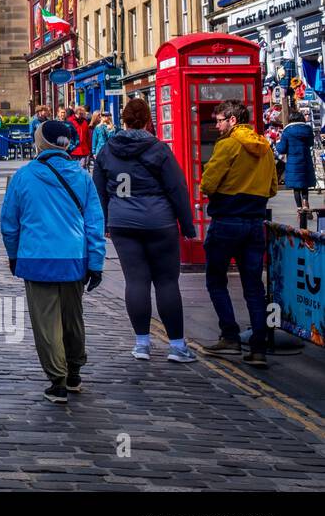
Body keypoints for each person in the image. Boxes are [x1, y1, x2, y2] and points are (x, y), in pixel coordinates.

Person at [1, 120, 106, 404]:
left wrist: (13, 255)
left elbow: (9, 224)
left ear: (40, 143)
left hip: (37, 258)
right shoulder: (82, 177)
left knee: (46, 322)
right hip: (74, 257)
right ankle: (74, 372)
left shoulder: (24, 177)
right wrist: (96, 263)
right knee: (73, 318)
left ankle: (57, 380)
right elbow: (95, 224)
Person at [92, 98, 198, 363]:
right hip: (159, 222)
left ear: (123, 121)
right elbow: (177, 188)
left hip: (122, 223)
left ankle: (141, 344)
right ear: (149, 121)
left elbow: (99, 192)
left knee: (135, 281)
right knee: (166, 281)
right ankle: (176, 346)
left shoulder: (107, 151)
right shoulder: (159, 149)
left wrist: (105, 222)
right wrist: (187, 225)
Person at [200, 101, 278, 367]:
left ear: (233, 120)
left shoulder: (228, 145)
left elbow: (208, 183)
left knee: (215, 279)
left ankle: (230, 336)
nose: (217, 125)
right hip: (255, 223)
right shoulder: (265, 146)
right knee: (254, 287)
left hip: (227, 222)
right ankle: (259, 348)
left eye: (220, 120)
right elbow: (273, 188)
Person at [278, 108, 316, 214]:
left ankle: (299, 208)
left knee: (296, 187)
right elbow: (311, 144)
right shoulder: (308, 130)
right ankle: (305, 202)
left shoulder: (287, 131)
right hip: (305, 162)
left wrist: (277, 144)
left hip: (293, 164)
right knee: (304, 185)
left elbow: (282, 149)